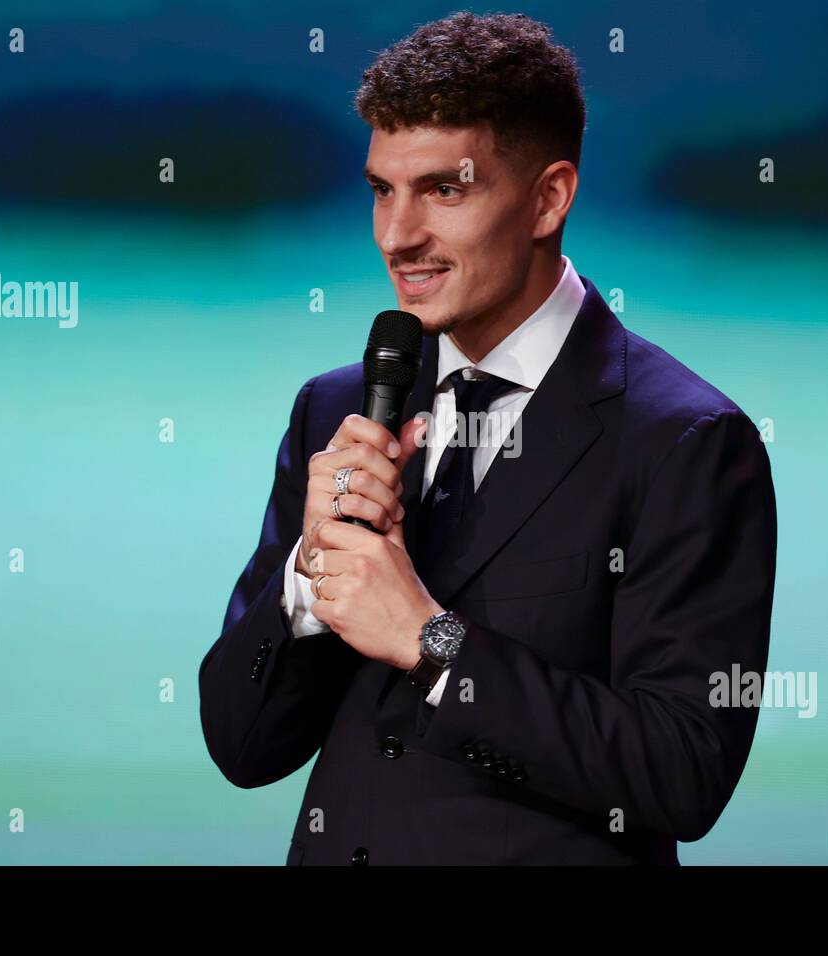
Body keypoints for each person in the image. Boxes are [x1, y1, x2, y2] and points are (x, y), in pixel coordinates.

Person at [198, 11, 777, 865]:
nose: (397, 236)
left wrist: (430, 640)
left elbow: (682, 772)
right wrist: (307, 579)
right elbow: (243, 750)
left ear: (549, 197)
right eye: (381, 190)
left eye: (444, 189)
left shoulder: (686, 440)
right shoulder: (336, 412)